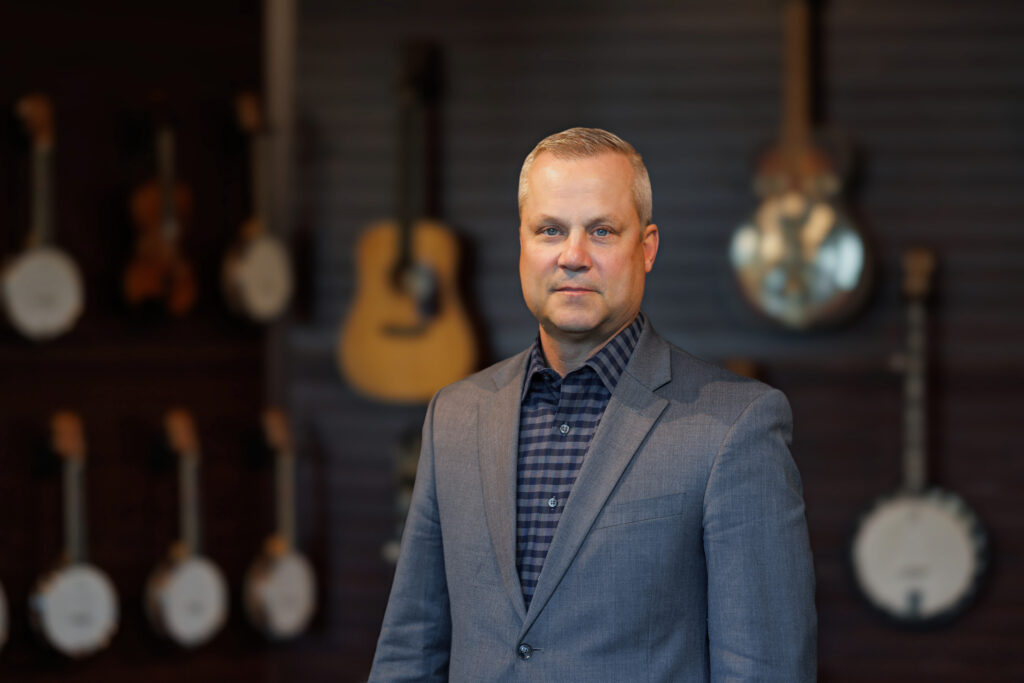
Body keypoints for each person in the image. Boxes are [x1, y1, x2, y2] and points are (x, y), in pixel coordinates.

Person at [369, 127, 816, 682]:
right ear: (523, 245)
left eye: (602, 231)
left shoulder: (736, 426)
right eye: (550, 230)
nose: (573, 256)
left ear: (646, 248)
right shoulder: (454, 416)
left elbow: (764, 669)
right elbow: (411, 649)